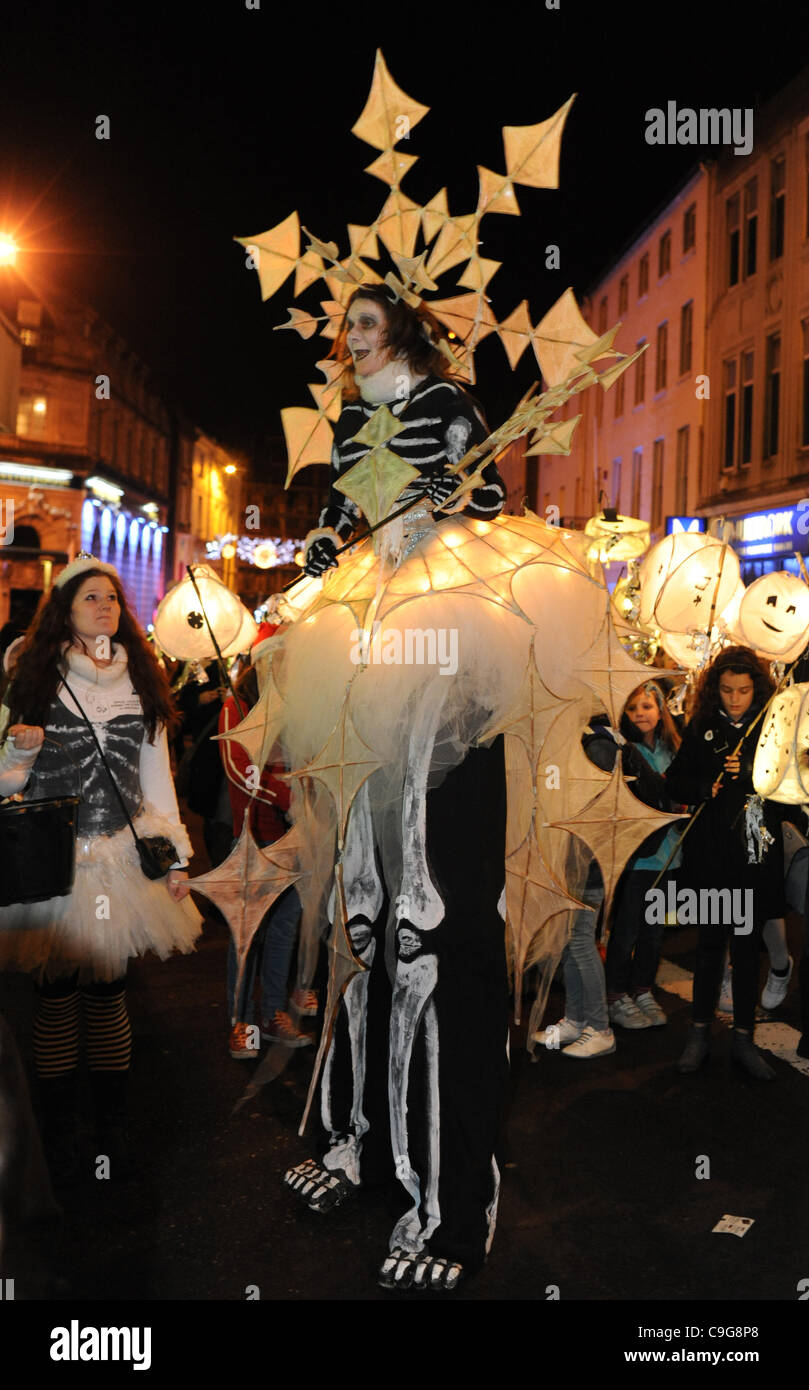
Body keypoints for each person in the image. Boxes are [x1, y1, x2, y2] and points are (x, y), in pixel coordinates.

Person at [281, 285, 511, 1292]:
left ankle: (443, 1191)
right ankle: (360, 1139)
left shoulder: (446, 401)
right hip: (367, 629)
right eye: (346, 326)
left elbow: (489, 497)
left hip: (439, 631)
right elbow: (342, 510)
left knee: (429, 906)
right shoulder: (353, 418)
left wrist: (448, 496)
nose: (352, 335)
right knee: (364, 909)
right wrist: (328, 540)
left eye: (368, 322)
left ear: (402, 331)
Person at [0, 554, 202, 1183]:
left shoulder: (140, 681)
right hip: (54, 863)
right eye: (90, 597)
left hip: (118, 857)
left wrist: (175, 858)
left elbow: (155, 784)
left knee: (109, 993)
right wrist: (16, 747)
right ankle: (58, 1130)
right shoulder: (33, 679)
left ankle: (111, 1125)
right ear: (64, 609)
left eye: (110, 599)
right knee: (56, 995)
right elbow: (5, 783)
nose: (104, 606)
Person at [665, 645, 787, 1081]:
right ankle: (698, 1036)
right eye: (727, 690)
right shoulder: (701, 726)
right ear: (715, 690)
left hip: (754, 857)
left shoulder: (771, 727)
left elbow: (789, 782)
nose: (736, 699)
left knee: (746, 948)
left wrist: (754, 767)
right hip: (713, 856)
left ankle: (743, 1039)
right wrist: (704, 786)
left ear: (758, 690)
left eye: (744, 691)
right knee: (711, 946)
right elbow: (675, 780)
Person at [218, 637, 315, 1056]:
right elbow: (238, 768)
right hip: (254, 836)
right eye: (277, 659)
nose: (285, 667)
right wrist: (285, 795)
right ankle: (240, 1022)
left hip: (296, 836)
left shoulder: (302, 706)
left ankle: (275, 1012)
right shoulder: (236, 707)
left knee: (284, 929)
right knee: (249, 932)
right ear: (260, 663)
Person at [605, 682, 684, 1031]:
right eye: (633, 707)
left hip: (671, 855)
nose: (640, 713)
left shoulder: (674, 748)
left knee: (654, 930)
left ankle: (643, 989)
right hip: (639, 857)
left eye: (647, 706)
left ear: (661, 710)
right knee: (627, 929)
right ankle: (615, 994)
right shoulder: (626, 750)